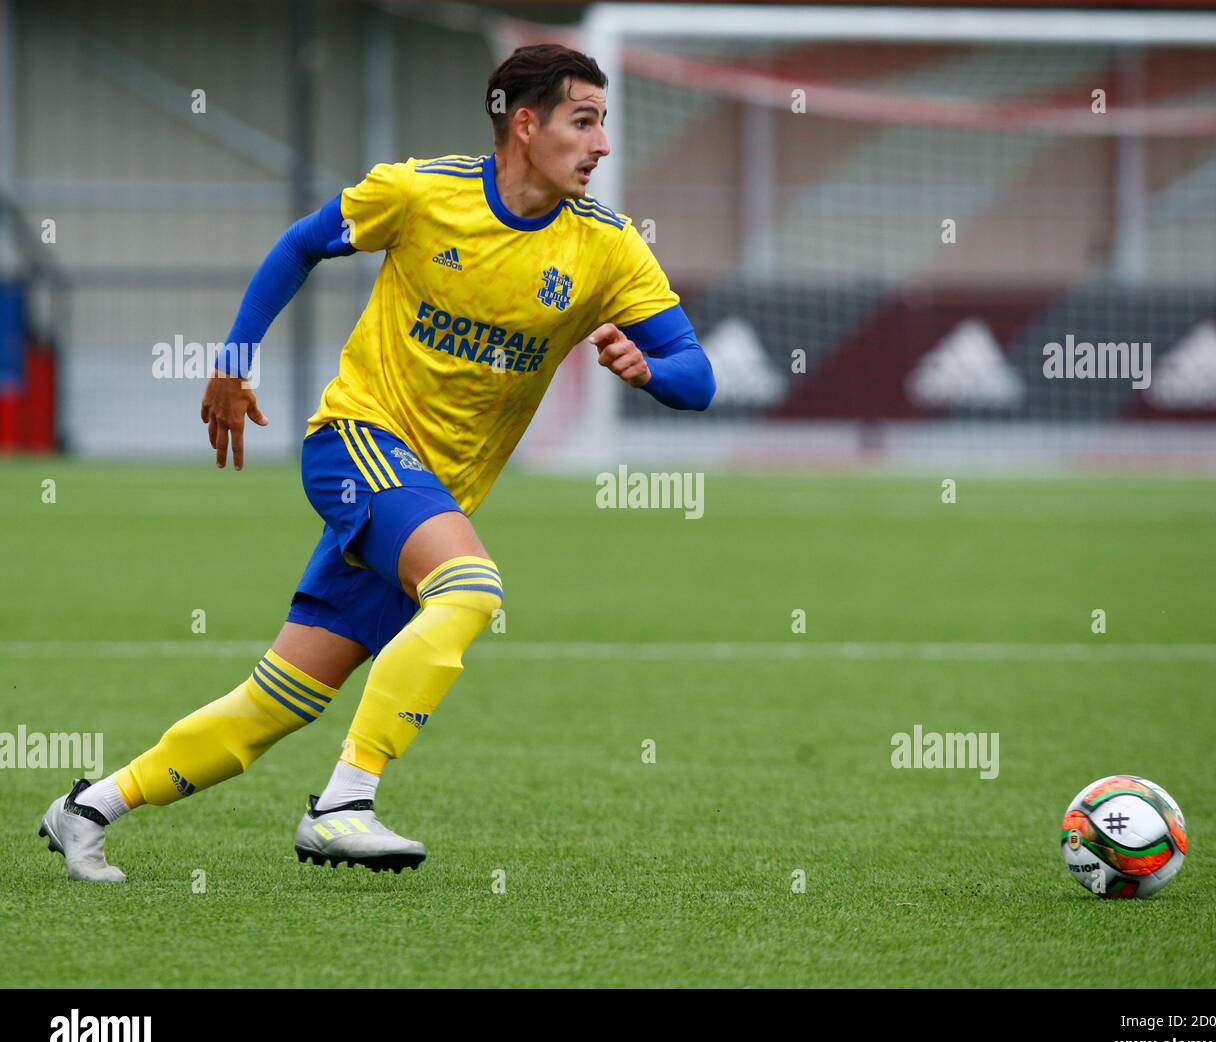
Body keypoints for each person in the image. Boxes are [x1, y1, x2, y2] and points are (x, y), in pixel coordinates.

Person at [39, 43, 715, 882]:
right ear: (526, 123)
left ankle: (87, 807)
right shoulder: (419, 191)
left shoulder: (606, 248)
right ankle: (343, 804)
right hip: (355, 440)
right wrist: (234, 359)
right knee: (471, 589)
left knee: (273, 705)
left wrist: (651, 371)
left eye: (604, 123)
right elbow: (301, 244)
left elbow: (699, 375)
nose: (603, 143)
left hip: (425, 498)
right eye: (585, 121)